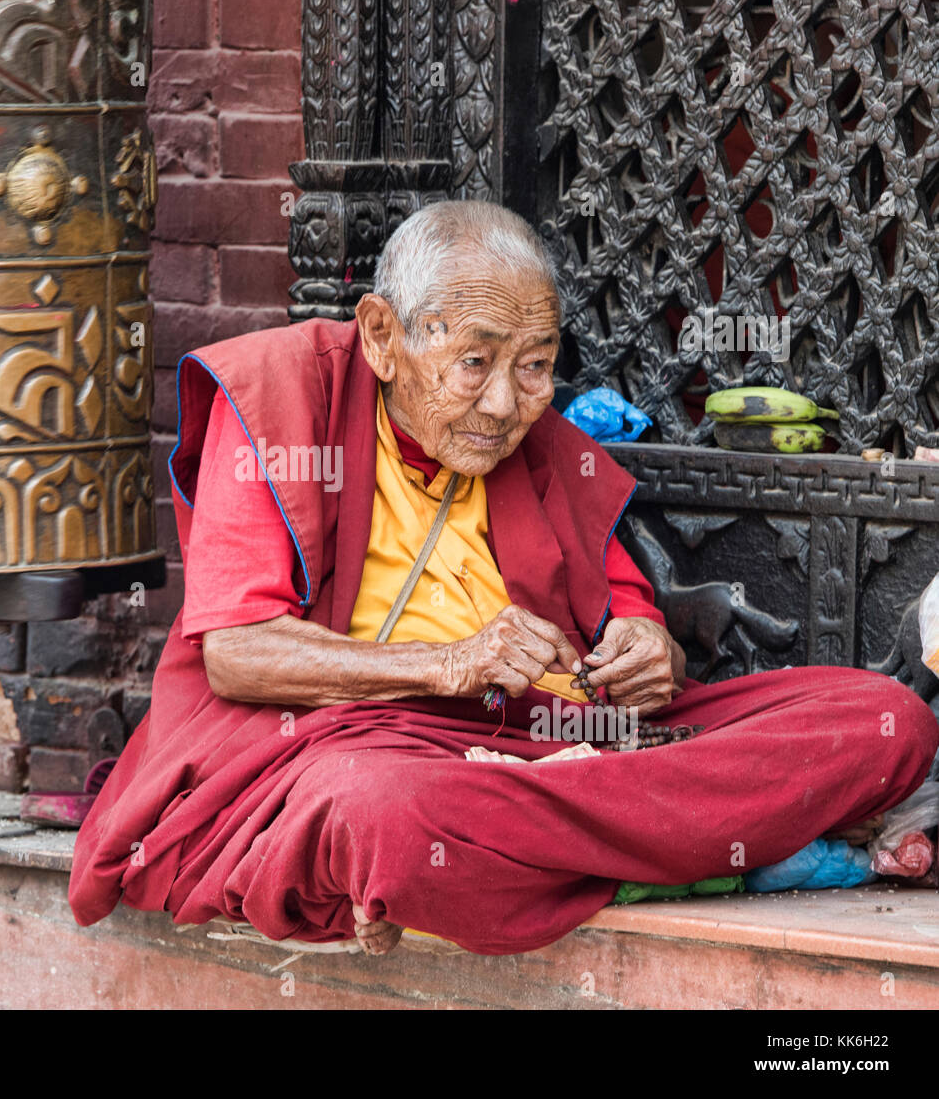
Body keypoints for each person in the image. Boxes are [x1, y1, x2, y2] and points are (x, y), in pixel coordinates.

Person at [67, 200, 938, 956]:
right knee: (384, 818)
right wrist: (448, 664)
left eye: (534, 365)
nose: (505, 405)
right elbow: (240, 655)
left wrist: (649, 648)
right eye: (475, 362)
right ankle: (696, 846)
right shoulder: (280, 401)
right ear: (381, 336)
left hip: (557, 748)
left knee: (887, 719)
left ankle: (578, 863)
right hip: (376, 750)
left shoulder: (538, 439)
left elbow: (630, 621)